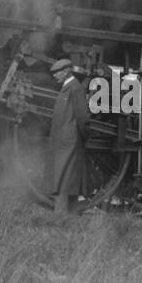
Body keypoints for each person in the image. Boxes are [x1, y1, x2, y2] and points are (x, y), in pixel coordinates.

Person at [48, 58, 89, 214]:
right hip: (65, 141)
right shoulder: (68, 87)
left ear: (66, 72)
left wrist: (82, 137)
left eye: (57, 73)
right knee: (64, 178)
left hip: (69, 141)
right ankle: (68, 215)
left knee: (63, 178)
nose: (54, 77)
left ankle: (62, 215)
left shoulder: (74, 88)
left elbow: (82, 117)